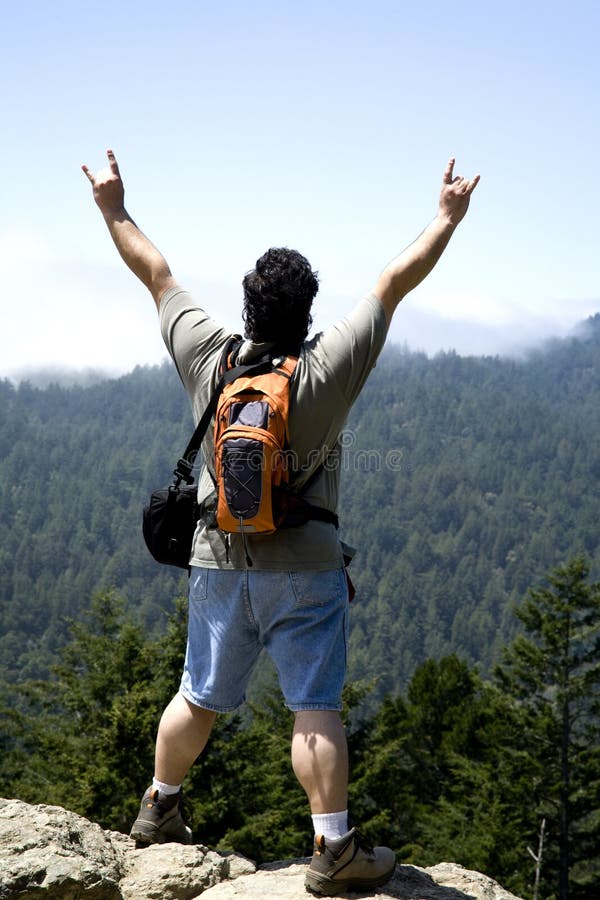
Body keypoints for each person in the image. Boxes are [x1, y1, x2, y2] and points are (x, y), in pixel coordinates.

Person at [82, 150, 479, 896]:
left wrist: (113, 207)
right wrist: (446, 218)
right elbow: (392, 285)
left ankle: (159, 808)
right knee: (314, 707)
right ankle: (333, 851)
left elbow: (157, 275)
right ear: (307, 311)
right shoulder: (324, 370)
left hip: (217, 556)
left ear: (247, 307)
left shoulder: (212, 355)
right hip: (307, 565)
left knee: (197, 693)